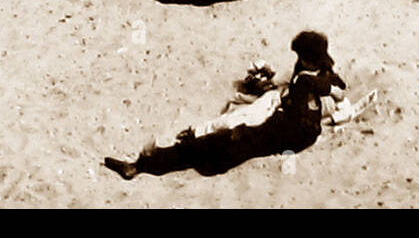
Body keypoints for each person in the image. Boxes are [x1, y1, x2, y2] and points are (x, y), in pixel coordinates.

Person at [104, 31, 346, 180]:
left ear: (306, 57)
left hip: (289, 132)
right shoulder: (323, 69)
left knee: (230, 141)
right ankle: (158, 159)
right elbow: (336, 84)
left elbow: (325, 87)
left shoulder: (306, 79)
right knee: (232, 139)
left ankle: (141, 165)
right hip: (298, 131)